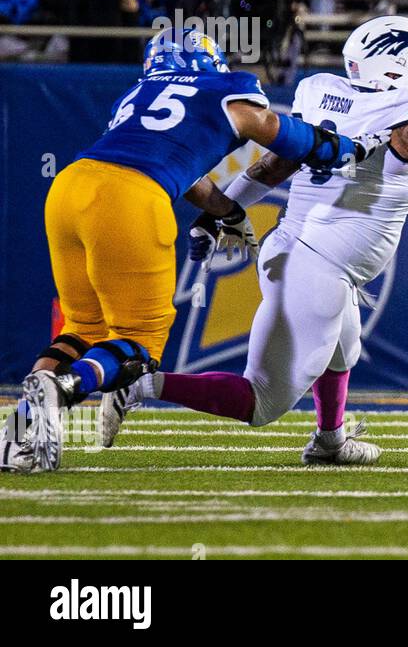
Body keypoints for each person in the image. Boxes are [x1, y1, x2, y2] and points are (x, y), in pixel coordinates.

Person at [94, 19, 408, 465]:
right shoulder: (402, 115)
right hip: (315, 266)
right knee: (261, 400)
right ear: (392, 65)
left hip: (302, 254)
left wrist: (219, 212)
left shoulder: (323, 93)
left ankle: (330, 441)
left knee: (344, 348)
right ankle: (140, 384)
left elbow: (273, 166)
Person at [2, 29, 380, 472]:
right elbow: (282, 134)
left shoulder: (137, 95)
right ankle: (64, 388)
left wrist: (228, 211)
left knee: (84, 328)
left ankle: (22, 435)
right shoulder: (226, 88)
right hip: (130, 197)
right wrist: (342, 150)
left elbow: (181, 170)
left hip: (70, 187)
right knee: (138, 344)